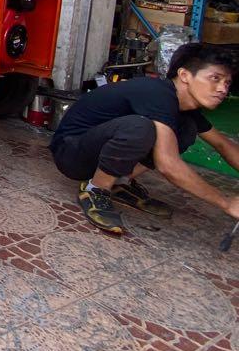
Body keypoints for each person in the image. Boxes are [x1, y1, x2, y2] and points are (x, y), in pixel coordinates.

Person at [50, 42, 239, 234]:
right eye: (215, 78)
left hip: (95, 153)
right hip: (71, 153)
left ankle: (120, 182)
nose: (223, 89)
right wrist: (225, 202)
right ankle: (96, 189)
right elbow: (168, 165)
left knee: (186, 129)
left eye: (227, 83)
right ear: (184, 76)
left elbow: (223, 145)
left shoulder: (184, 107)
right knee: (140, 128)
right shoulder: (157, 93)